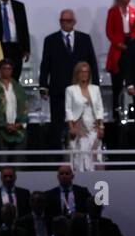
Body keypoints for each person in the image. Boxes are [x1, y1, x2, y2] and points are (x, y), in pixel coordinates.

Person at [39, 10, 98, 150]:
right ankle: (58, 155)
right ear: (60, 22)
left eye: (69, 20)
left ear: (74, 22)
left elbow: (92, 63)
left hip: (81, 91)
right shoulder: (50, 40)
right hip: (58, 90)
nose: (66, 23)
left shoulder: (85, 39)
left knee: (82, 123)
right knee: (58, 125)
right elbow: (45, 64)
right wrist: (43, 86)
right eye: (63, 21)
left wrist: (95, 87)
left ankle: (81, 152)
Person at [104, 0, 135, 117]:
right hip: (118, 49)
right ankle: (116, 112)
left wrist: (133, 43)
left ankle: (134, 111)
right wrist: (119, 44)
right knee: (117, 84)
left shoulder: (134, 11)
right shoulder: (112, 11)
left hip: (131, 46)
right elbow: (109, 31)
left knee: (134, 80)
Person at [64, 61, 104, 171]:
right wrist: (71, 128)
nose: (84, 74)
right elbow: (68, 110)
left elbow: (100, 109)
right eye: (81, 72)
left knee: (95, 154)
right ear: (77, 74)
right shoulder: (70, 90)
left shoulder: (95, 89)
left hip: (93, 126)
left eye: (86, 72)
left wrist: (101, 127)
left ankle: (94, 179)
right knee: (80, 153)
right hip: (79, 126)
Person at [0, 59, 27, 151]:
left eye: (9, 69)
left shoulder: (18, 88)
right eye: (4, 68)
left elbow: (24, 107)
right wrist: (5, 125)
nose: (7, 71)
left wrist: (18, 124)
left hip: (17, 128)